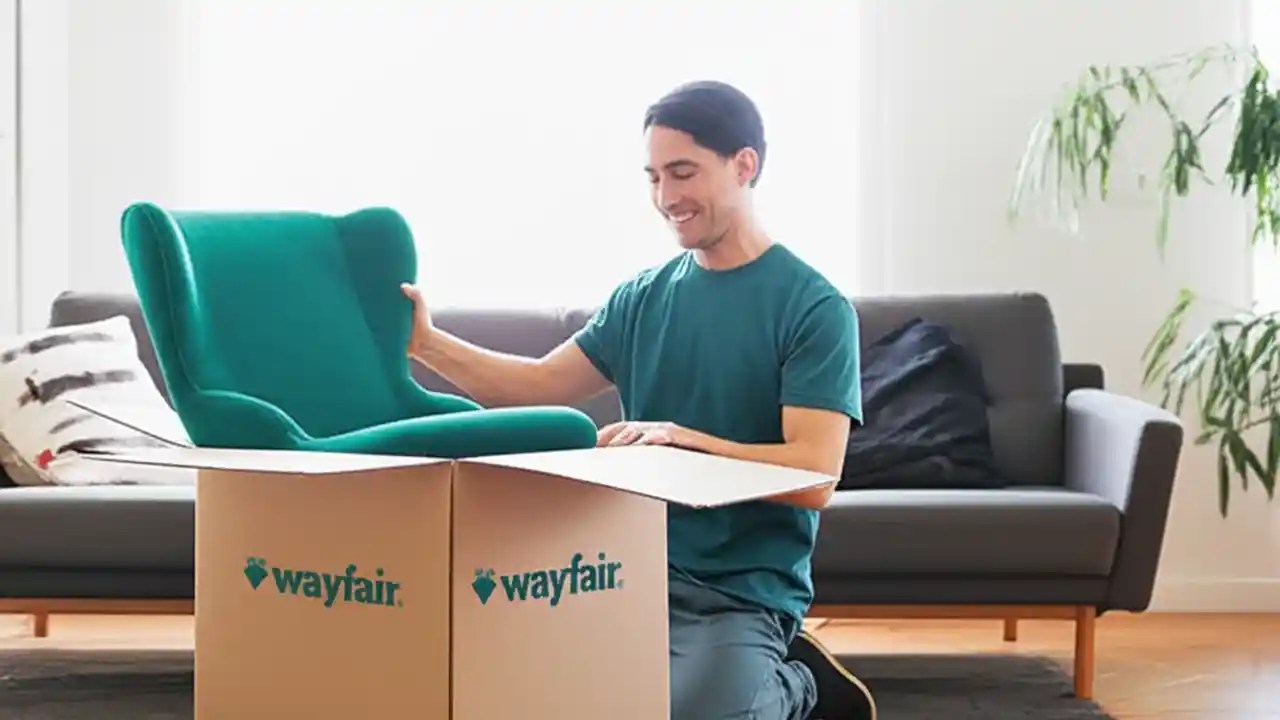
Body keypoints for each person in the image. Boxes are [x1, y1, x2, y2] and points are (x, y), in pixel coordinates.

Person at [401, 79, 876, 720]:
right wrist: (426, 343)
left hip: (740, 592)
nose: (666, 197)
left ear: (745, 165)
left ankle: (801, 687)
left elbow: (815, 474)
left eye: (683, 173)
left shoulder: (813, 307)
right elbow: (536, 385)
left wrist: (686, 443)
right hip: (618, 571)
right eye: (653, 176)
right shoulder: (644, 297)